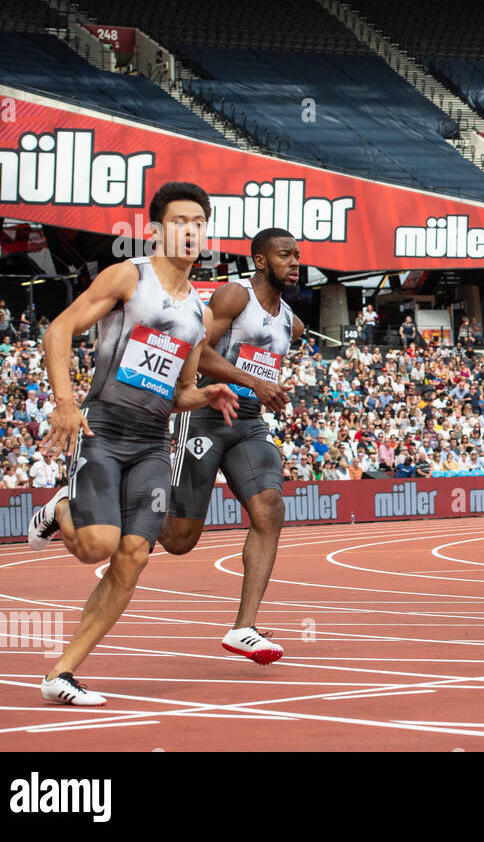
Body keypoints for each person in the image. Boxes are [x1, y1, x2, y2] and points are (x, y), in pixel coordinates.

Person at [25, 181, 239, 706]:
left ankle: (61, 674)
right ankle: (60, 507)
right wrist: (66, 403)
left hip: (150, 443)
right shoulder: (128, 277)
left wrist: (205, 393)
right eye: (180, 222)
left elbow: (177, 390)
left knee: (134, 555)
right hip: (102, 429)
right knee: (97, 546)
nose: (190, 231)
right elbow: (59, 330)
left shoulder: (198, 314)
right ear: (155, 230)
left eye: (198, 223)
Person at [159, 227, 304, 665]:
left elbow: (261, 368)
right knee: (180, 541)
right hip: (203, 413)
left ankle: (244, 627)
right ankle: (122, 502)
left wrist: (266, 388)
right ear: (261, 261)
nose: (295, 262)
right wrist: (253, 380)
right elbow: (194, 350)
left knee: (270, 509)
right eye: (285, 255)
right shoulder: (233, 297)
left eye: (297, 255)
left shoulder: (291, 323)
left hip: (247, 424)